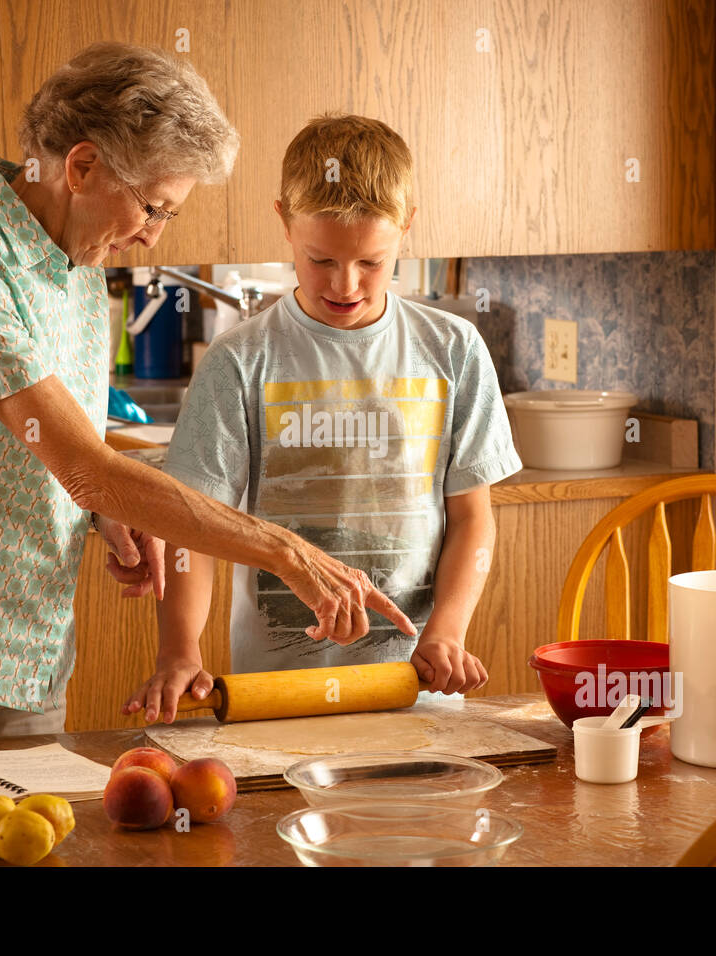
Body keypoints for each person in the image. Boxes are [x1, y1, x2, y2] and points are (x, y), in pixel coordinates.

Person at [0, 49, 414, 759]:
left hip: (26, 641)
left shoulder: (74, 266)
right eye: (154, 206)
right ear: (82, 168)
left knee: (32, 845)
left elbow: (59, 447)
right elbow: (84, 464)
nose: (154, 234)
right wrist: (284, 552)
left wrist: (105, 514)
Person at [126, 113, 522, 724]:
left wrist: (446, 631)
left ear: (407, 225)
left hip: (412, 683)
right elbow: (190, 526)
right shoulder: (241, 361)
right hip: (278, 690)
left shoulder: (454, 350)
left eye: (371, 262)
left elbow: (473, 520)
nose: (345, 284)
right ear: (284, 220)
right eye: (321, 260)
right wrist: (180, 650)